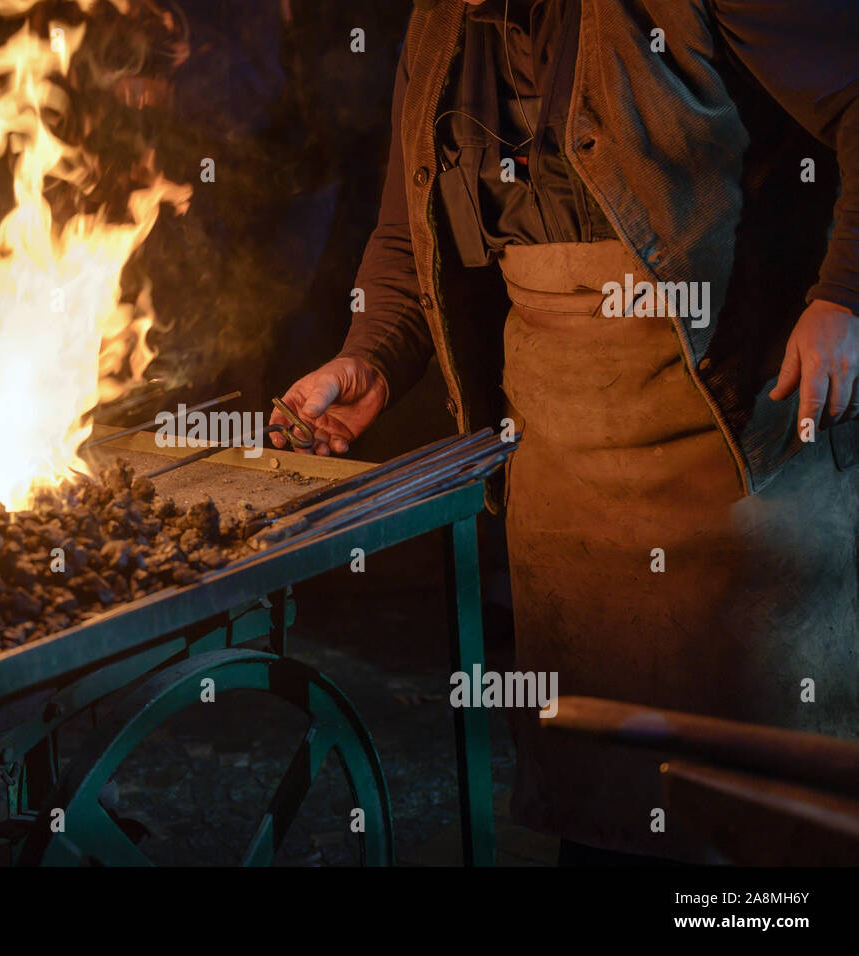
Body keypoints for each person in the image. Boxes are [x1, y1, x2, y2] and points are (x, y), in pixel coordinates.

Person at [271, 0, 859, 863]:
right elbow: (408, 222)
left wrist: (846, 294)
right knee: (608, 807)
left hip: (736, 447)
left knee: (757, 823)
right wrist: (374, 354)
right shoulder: (442, 23)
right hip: (566, 467)